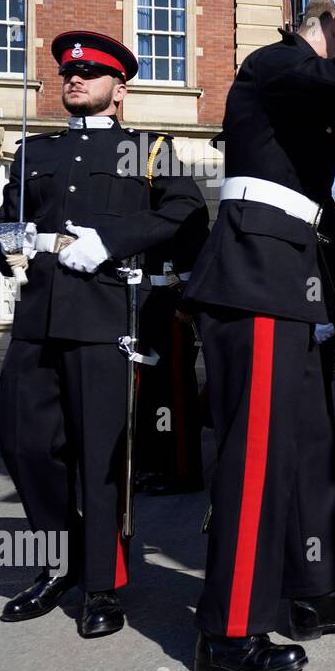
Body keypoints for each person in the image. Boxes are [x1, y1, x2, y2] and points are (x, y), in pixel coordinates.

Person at [180, 0, 335, 671]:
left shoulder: (303, 89)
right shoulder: (274, 64)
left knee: (309, 451)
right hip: (255, 278)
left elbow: (313, 199)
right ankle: (228, 629)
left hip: (292, 282)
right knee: (255, 459)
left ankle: (317, 594)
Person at [0, 31, 206, 637]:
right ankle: (62, 561)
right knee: (23, 444)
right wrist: (9, 244)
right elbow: (2, 225)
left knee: (103, 459)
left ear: (119, 89)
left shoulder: (150, 150)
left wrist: (113, 240)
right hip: (36, 322)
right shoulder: (35, 153)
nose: (74, 79)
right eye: (67, 74)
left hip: (106, 321)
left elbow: (186, 212)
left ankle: (103, 584)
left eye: (90, 73)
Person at [137, 204, 209, 495]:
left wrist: (187, 303)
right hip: (151, 307)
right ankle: (156, 465)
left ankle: (181, 472)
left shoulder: (187, 208)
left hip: (176, 309)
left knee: (175, 394)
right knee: (151, 394)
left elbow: (203, 263)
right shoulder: (148, 207)